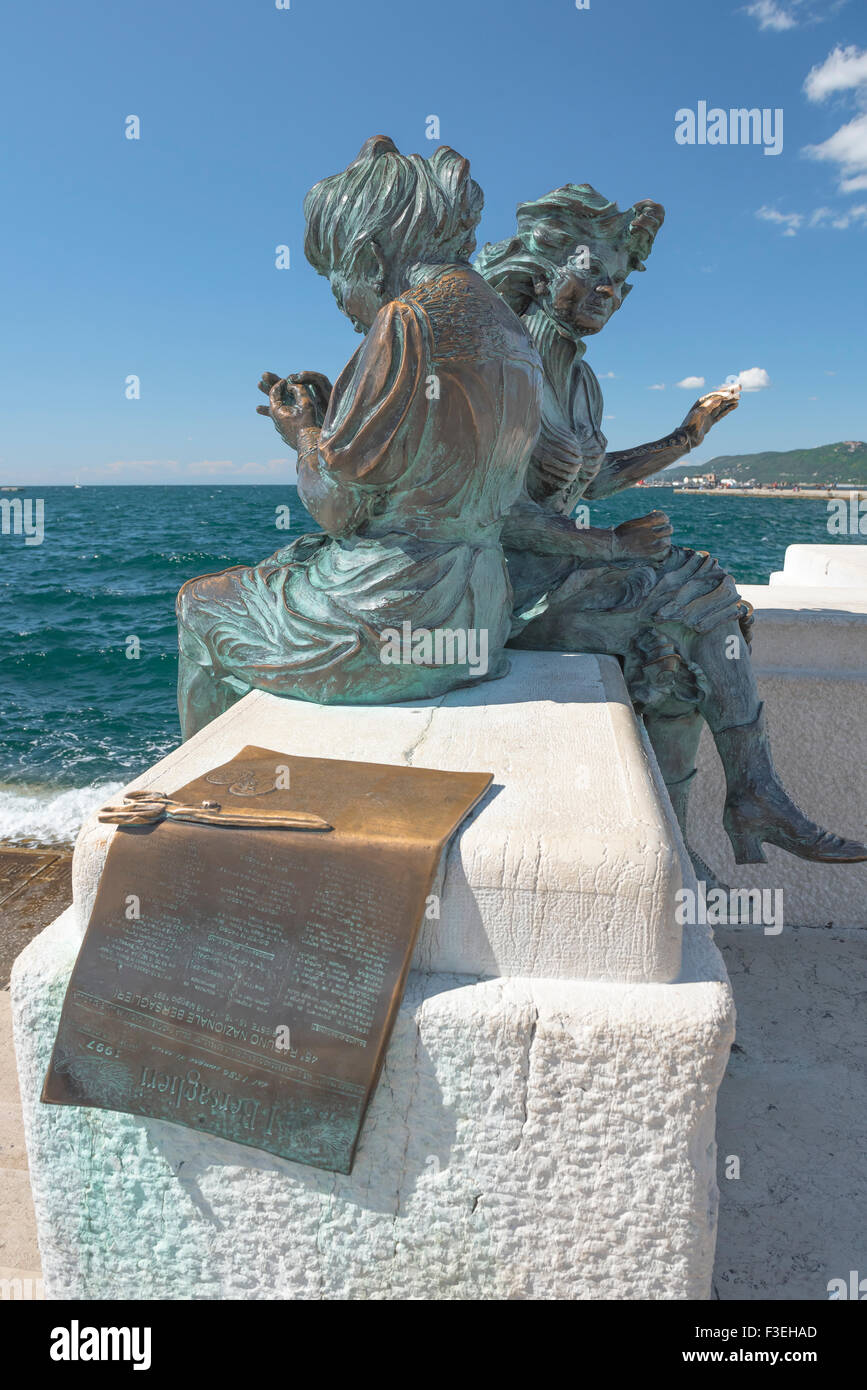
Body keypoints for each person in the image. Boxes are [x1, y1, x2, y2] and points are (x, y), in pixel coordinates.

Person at [476, 184, 865, 874]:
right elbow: (488, 510)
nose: (609, 293)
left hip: (567, 573)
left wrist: (688, 435)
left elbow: (588, 482)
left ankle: (690, 848)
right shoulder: (499, 371)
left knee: (680, 662)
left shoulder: (583, 382)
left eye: (620, 284)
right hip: (511, 591)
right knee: (696, 593)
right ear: (543, 270)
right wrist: (607, 546)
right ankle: (751, 798)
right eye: (593, 273)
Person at [176, 136, 542, 738]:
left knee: (201, 605)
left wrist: (302, 434)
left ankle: (197, 810)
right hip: (481, 619)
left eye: (335, 275)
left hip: (401, 623)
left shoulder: (407, 319)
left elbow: (340, 509)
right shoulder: (508, 328)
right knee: (279, 573)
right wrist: (330, 418)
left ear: (370, 256)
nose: (342, 301)